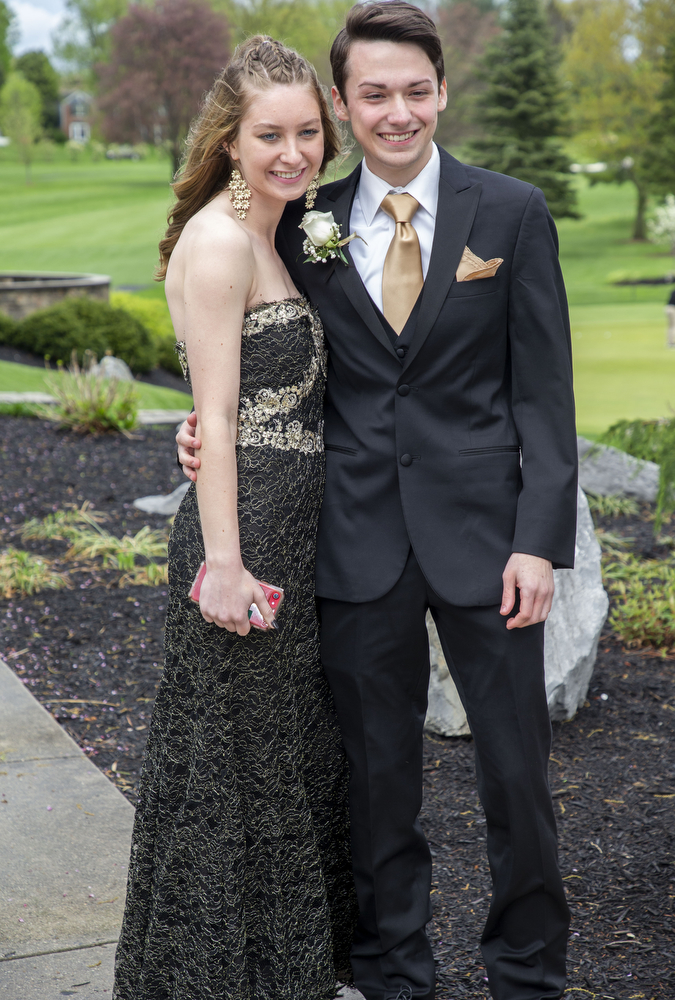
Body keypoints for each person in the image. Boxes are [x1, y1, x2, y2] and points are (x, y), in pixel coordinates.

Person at [177, 4, 579, 999]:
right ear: (342, 105)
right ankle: (396, 971)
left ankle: (527, 972)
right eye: (373, 94)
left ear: (441, 91)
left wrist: (539, 543)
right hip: (352, 539)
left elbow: (544, 397)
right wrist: (199, 432)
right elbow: (258, 359)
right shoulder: (299, 219)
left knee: (517, 775)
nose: (397, 112)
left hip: (491, 543)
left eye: (414, 91)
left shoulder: (511, 212)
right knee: (375, 783)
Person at [113, 36, 357, 1000]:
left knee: (275, 758)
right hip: (244, 536)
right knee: (232, 768)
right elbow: (213, 417)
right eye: (269, 135)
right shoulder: (220, 241)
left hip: (290, 526)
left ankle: (279, 972)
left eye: (307, 133)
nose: (293, 153)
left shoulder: (278, 229)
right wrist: (223, 563)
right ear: (229, 139)